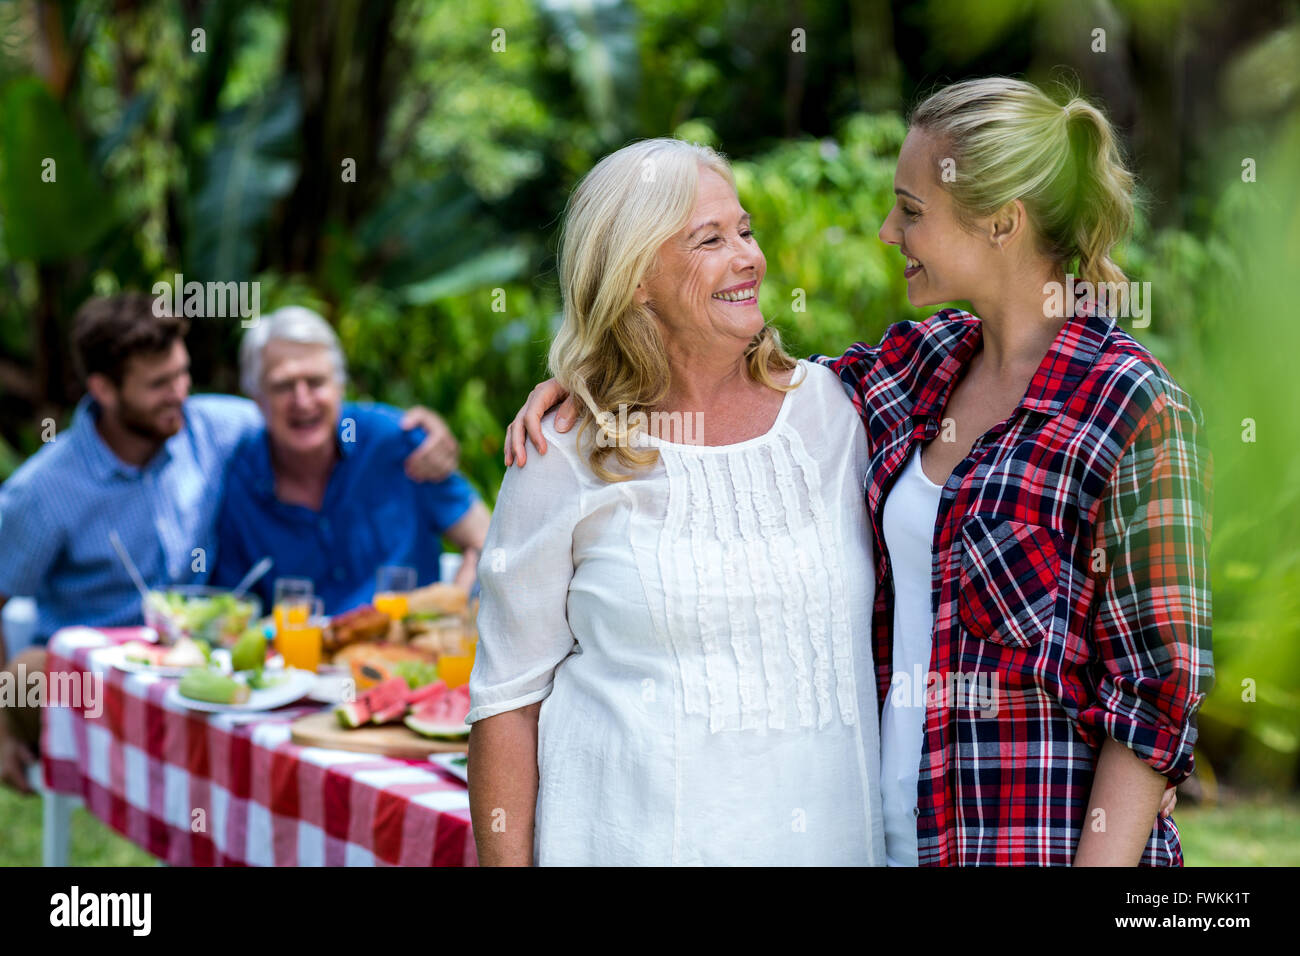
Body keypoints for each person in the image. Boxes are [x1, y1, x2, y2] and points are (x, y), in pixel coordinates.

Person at [507, 78, 1207, 866]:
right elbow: (730, 384)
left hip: (1031, 846)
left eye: (911, 211)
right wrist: (595, 373)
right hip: (893, 841)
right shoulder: (917, 371)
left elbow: (1156, 695)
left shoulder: (1131, 406)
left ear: (1002, 222)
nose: (886, 231)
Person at [468, 138, 884, 866]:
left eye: (746, 231)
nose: (749, 256)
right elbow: (506, 700)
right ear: (634, 279)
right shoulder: (561, 452)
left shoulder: (837, 413)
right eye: (710, 240)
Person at [0, 292, 460, 792]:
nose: (180, 393)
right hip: (100, 677)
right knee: (30, 671)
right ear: (104, 390)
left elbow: (313, 413)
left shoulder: (213, 426)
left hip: (203, 669)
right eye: (159, 384)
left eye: (182, 374)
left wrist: (420, 431)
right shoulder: (44, 491)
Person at [211, 307, 490, 613]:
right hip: (297, 659)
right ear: (257, 399)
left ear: (340, 386)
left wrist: (449, 614)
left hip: (408, 656)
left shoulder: (396, 441)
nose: (302, 401)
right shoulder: (240, 481)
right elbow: (233, 607)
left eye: (316, 382)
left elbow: (487, 541)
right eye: (283, 386)